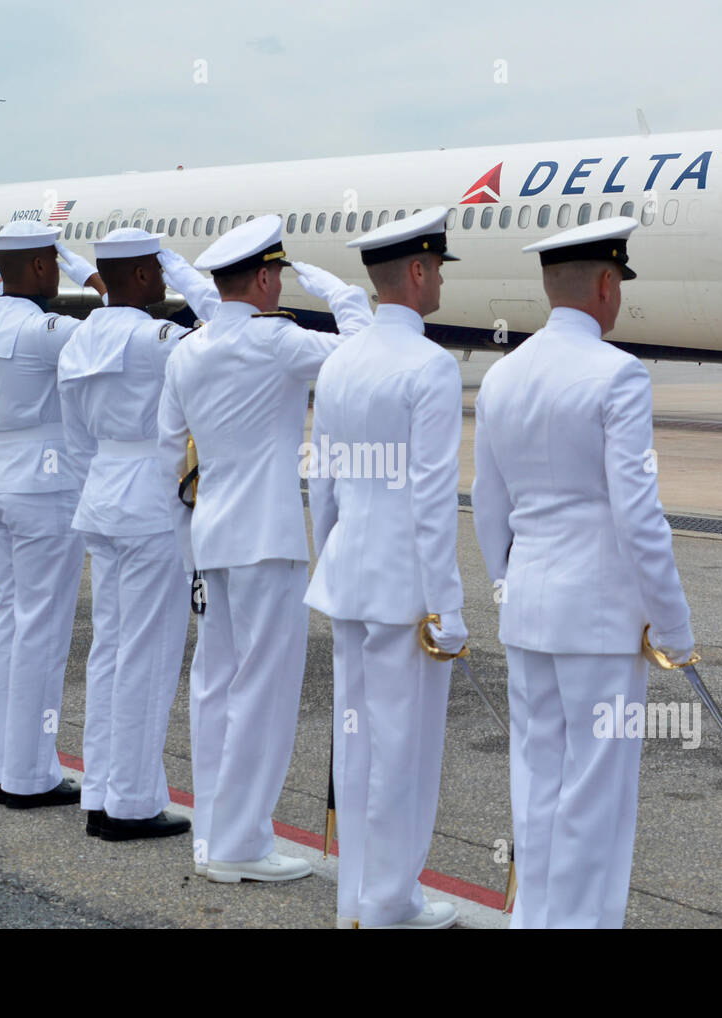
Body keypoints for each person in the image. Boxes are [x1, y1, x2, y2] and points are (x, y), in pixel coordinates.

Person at [471, 217, 695, 928]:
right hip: (598, 619)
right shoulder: (617, 374)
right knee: (595, 799)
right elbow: (638, 514)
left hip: (530, 609)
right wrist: (674, 624)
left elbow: (487, 503)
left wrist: (508, 585)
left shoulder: (504, 375)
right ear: (607, 284)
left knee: (536, 783)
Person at [156, 214, 371, 882]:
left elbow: (170, 444)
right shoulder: (276, 340)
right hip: (268, 538)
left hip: (210, 532)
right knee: (264, 692)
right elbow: (365, 361)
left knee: (213, 683)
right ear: (267, 276)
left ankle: (216, 831)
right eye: (277, 273)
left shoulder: (187, 350)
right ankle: (243, 844)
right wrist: (348, 302)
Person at [305, 207, 466, 929]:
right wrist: (449, 606)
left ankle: (357, 902)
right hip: (405, 586)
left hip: (350, 573)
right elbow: (433, 498)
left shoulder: (342, 360)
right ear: (420, 271)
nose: (439, 283)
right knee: (404, 752)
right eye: (437, 270)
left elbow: (324, 481)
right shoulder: (428, 366)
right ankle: (390, 902)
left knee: (357, 741)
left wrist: (331, 552)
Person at [58, 227, 219, 840]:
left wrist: (97, 483)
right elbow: (228, 335)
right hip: (151, 501)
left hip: (101, 493)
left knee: (110, 649)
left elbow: (73, 437)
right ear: (150, 275)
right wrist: (192, 282)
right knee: (147, 657)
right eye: (159, 270)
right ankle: (129, 804)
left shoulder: (80, 338)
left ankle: (102, 792)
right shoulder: (162, 341)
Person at [0, 220, 104, 808]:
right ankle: (30, 775)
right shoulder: (45, 330)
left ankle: (6, 766)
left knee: (9, 622)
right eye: (53, 265)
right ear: (42, 267)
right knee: (42, 629)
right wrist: (90, 271)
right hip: (42, 486)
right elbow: (117, 327)